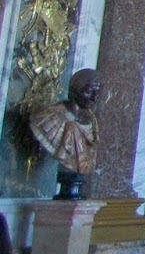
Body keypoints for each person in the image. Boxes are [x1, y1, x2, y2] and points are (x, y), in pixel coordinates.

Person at [29, 68, 101, 199]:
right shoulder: (49, 118)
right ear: (75, 90)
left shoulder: (91, 122)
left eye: (97, 92)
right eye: (89, 91)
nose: (94, 97)